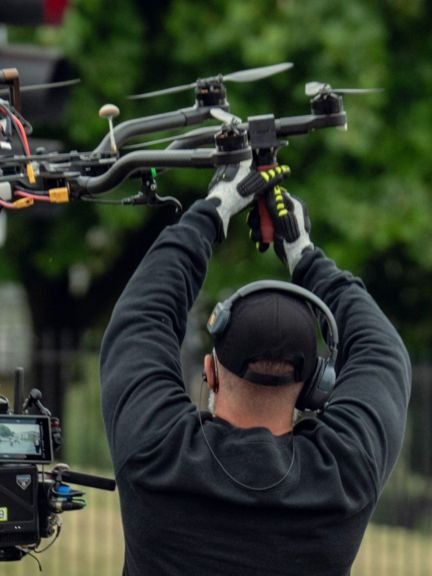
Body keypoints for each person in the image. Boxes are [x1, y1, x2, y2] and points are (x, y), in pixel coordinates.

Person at [99, 161, 411, 575]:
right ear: (312, 387)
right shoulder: (343, 477)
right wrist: (304, 254)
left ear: (209, 372)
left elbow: (141, 315)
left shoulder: (156, 452)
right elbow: (382, 349)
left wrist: (213, 209)